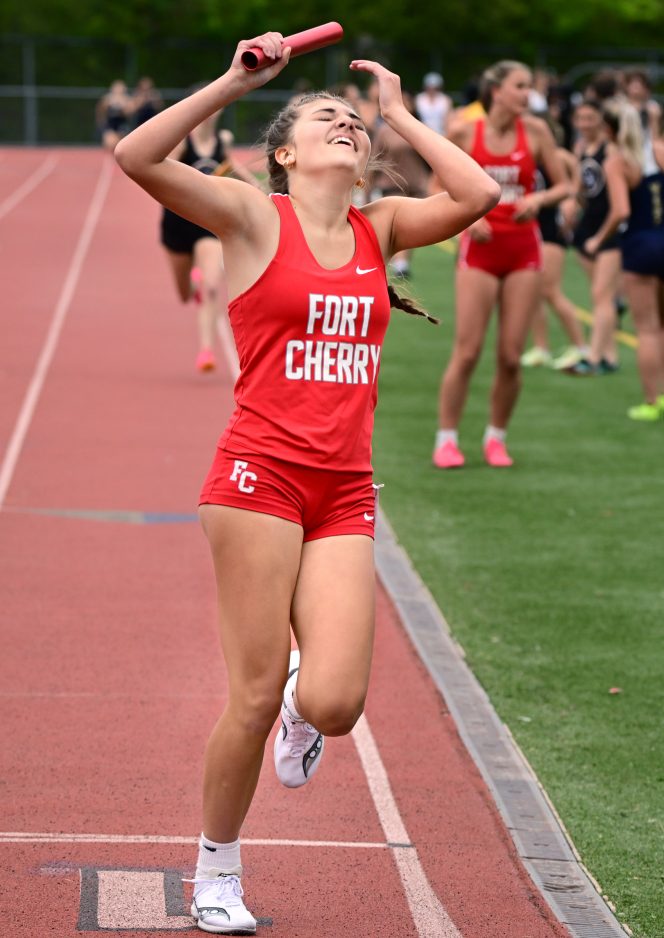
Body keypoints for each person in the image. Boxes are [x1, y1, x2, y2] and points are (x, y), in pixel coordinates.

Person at [114, 31, 499, 935]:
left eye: (354, 124)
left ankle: (302, 700)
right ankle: (215, 869)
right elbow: (136, 155)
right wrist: (234, 81)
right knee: (247, 699)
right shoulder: (252, 215)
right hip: (257, 476)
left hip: (345, 488)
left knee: (333, 700)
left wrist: (401, 115)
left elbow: (478, 194)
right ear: (285, 153)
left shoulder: (384, 226)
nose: (346, 126)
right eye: (327, 118)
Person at [433, 60, 568, 469]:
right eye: (520, 86)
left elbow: (565, 185)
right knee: (468, 351)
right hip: (481, 252)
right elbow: (436, 185)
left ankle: (496, 437)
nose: (528, 94)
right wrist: (469, 220)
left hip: (524, 247)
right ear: (497, 91)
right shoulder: (464, 131)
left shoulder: (537, 131)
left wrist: (538, 200)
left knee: (511, 355)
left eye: (529, 86)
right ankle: (447, 439)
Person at [159, 93, 260, 372]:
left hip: (208, 221)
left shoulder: (222, 141)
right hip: (178, 222)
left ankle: (206, 350)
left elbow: (230, 164)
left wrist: (258, 187)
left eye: (215, 108)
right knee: (183, 293)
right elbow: (161, 167)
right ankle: (193, 283)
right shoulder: (184, 142)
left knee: (213, 285)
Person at [564, 99, 631, 375]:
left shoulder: (613, 151)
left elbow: (620, 203)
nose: (584, 124)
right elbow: (580, 188)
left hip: (610, 232)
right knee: (603, 296)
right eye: (580, 118)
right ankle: (610, 357)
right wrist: (571, 204)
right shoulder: (581, 148)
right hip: (587, 229)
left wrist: (601, 237)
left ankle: (592, 359)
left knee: (601, 295)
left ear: (601, 122)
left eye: (590, 118)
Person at [609, 107, 664, 419]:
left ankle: (651, 401)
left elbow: (621, 210)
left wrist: (598, 237)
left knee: (646, 329)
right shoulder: (659, 151)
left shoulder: (619, 162)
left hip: (641, 246)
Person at [521, 138, 589, 370]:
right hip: (532, 228)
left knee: (550, 290)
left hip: (551, 230)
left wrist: (573, 201)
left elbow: (578, 172)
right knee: (533, 292)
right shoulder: (524, 153)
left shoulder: (557, 155)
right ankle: (542, 347)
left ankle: (581, 348)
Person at [368, 90, 431, 278]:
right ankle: (398, 263)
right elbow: (374, 159)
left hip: (416, 184)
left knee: (414, 227)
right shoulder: (385, 131)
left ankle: (402, 262)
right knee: (396, 226)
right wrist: (367, 187)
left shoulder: (421, 128)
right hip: (392, 184)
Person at [96, 80, 134, 152]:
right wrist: (101, 122)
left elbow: (130, 113)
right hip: (110, 124)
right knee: (110, 144)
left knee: (121, 146)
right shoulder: (107, 99)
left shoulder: (127, 100)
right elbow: (100, 110)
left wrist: (121, 108)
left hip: (122, 125)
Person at [415, 71, 453, 136]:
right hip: (422, 133)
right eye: (430, 87)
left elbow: (448, 119)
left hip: (441, 133)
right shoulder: (419, 99)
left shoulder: (445, 99)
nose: (432, 90)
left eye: (435, 88)